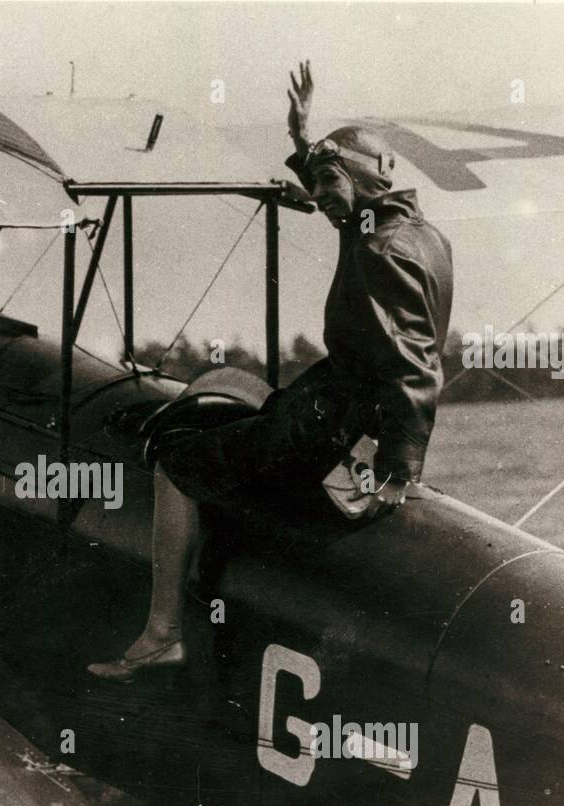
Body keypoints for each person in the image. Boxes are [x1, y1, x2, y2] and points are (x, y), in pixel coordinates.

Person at [88, 61, 454, 684]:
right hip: (338, 410)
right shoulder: (408, 230)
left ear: (354, 180)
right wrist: (304, 141)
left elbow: (413, 368)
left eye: (328, 183)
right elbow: (345, 201)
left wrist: (399, 474)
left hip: (332, 424)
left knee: (177, 463)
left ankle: (161, 635)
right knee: (249, 431)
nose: (320, 199)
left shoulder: (375, 251)